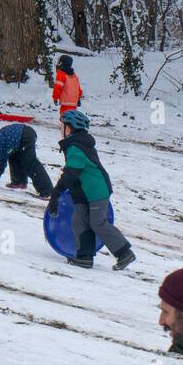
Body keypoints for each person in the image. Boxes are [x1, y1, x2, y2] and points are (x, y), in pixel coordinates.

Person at [47, 109, 134, 271]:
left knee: (98, 222)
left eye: (62, 126)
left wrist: (56, 192)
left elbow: (72, 172)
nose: (60, 129)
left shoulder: (76, 146)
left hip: (96, 191)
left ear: (70, 128)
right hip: (82, 193)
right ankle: (84, 257)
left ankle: (124, 253)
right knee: (79, 221)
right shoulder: (75, 143)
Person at [0, 123, 53, 197]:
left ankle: (47, 191)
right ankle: (19, 182)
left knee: (30, 162)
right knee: (14, 157)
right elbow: (3, 162)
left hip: (25, 135)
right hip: (22, 137)